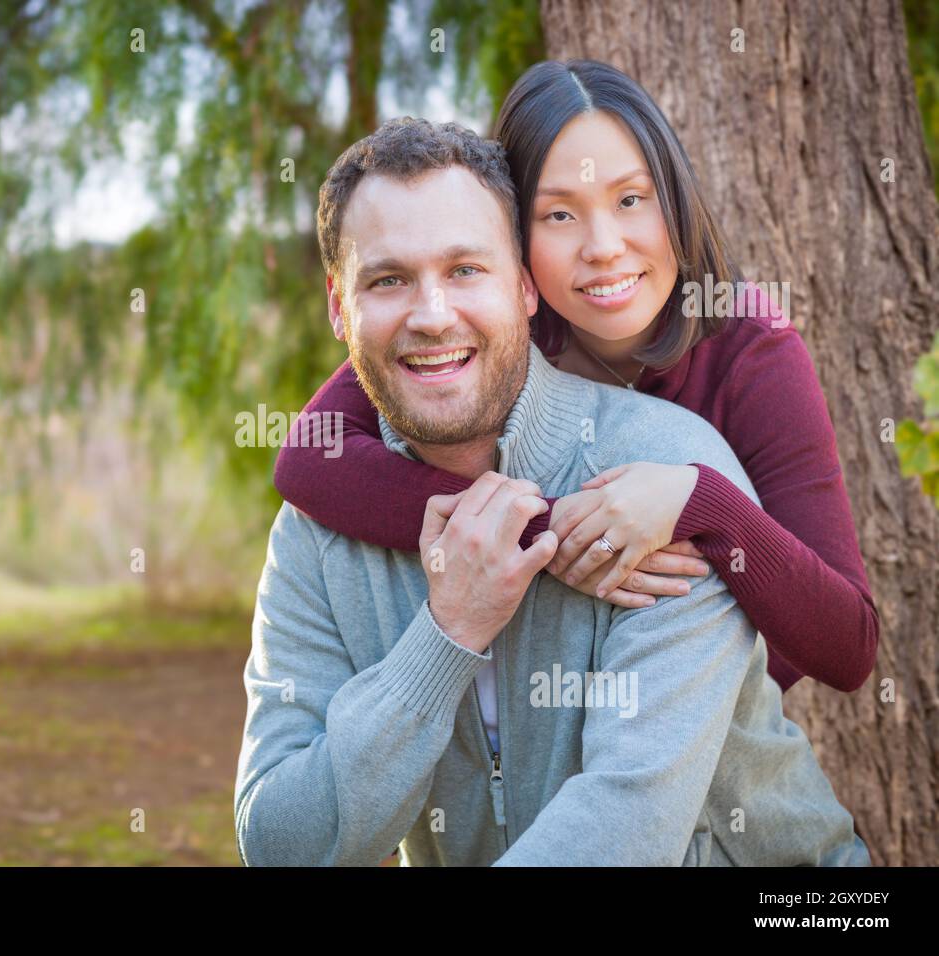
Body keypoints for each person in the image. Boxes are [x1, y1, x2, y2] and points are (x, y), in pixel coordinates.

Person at [233, 116, 870, 866]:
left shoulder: (668, 465)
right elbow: (279, 848)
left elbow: (625, 826)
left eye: (466, 269)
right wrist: (448, 632)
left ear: (526, 288)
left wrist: (702, 507)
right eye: (388, 279)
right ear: (340, 310)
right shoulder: (316, 532)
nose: (432, 315)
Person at [273, 60, 878, 695]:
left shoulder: (750, 349)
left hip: (701, 718)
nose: (604, 246)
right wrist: (558, 536)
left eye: (630, 199)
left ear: (674, 197)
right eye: (559, 214)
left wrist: (701, 504)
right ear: (514, 246)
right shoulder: (491, 330)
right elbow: (307, 460)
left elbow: (849, 646)